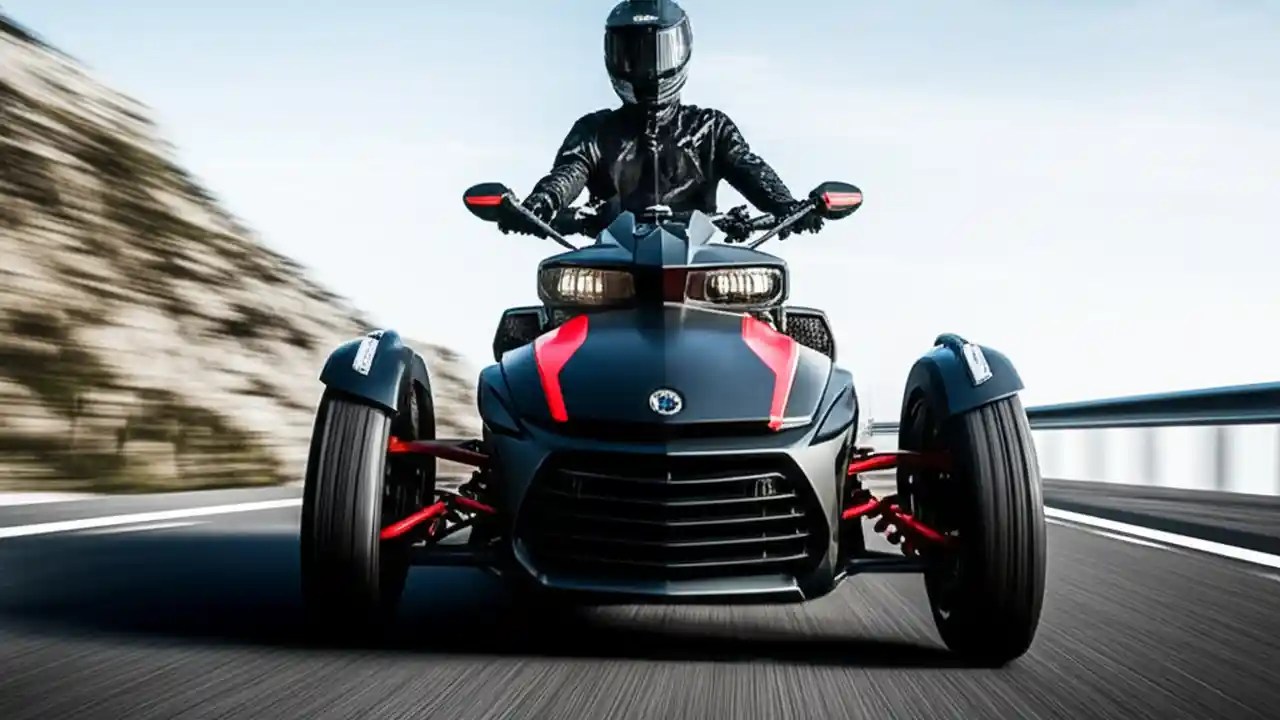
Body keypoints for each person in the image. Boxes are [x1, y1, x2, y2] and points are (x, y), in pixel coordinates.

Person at [499, 0, 823, 239]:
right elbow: (568, 174)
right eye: (633, 54)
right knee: (552, 303)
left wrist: (787, 206)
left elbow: (748, 168)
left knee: (765, 299)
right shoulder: (594, 132)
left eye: (660, 51)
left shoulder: (711, 128)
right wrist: (541, 203)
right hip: (612, 258)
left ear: (683, 50)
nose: (648, 67)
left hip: (699, 256)